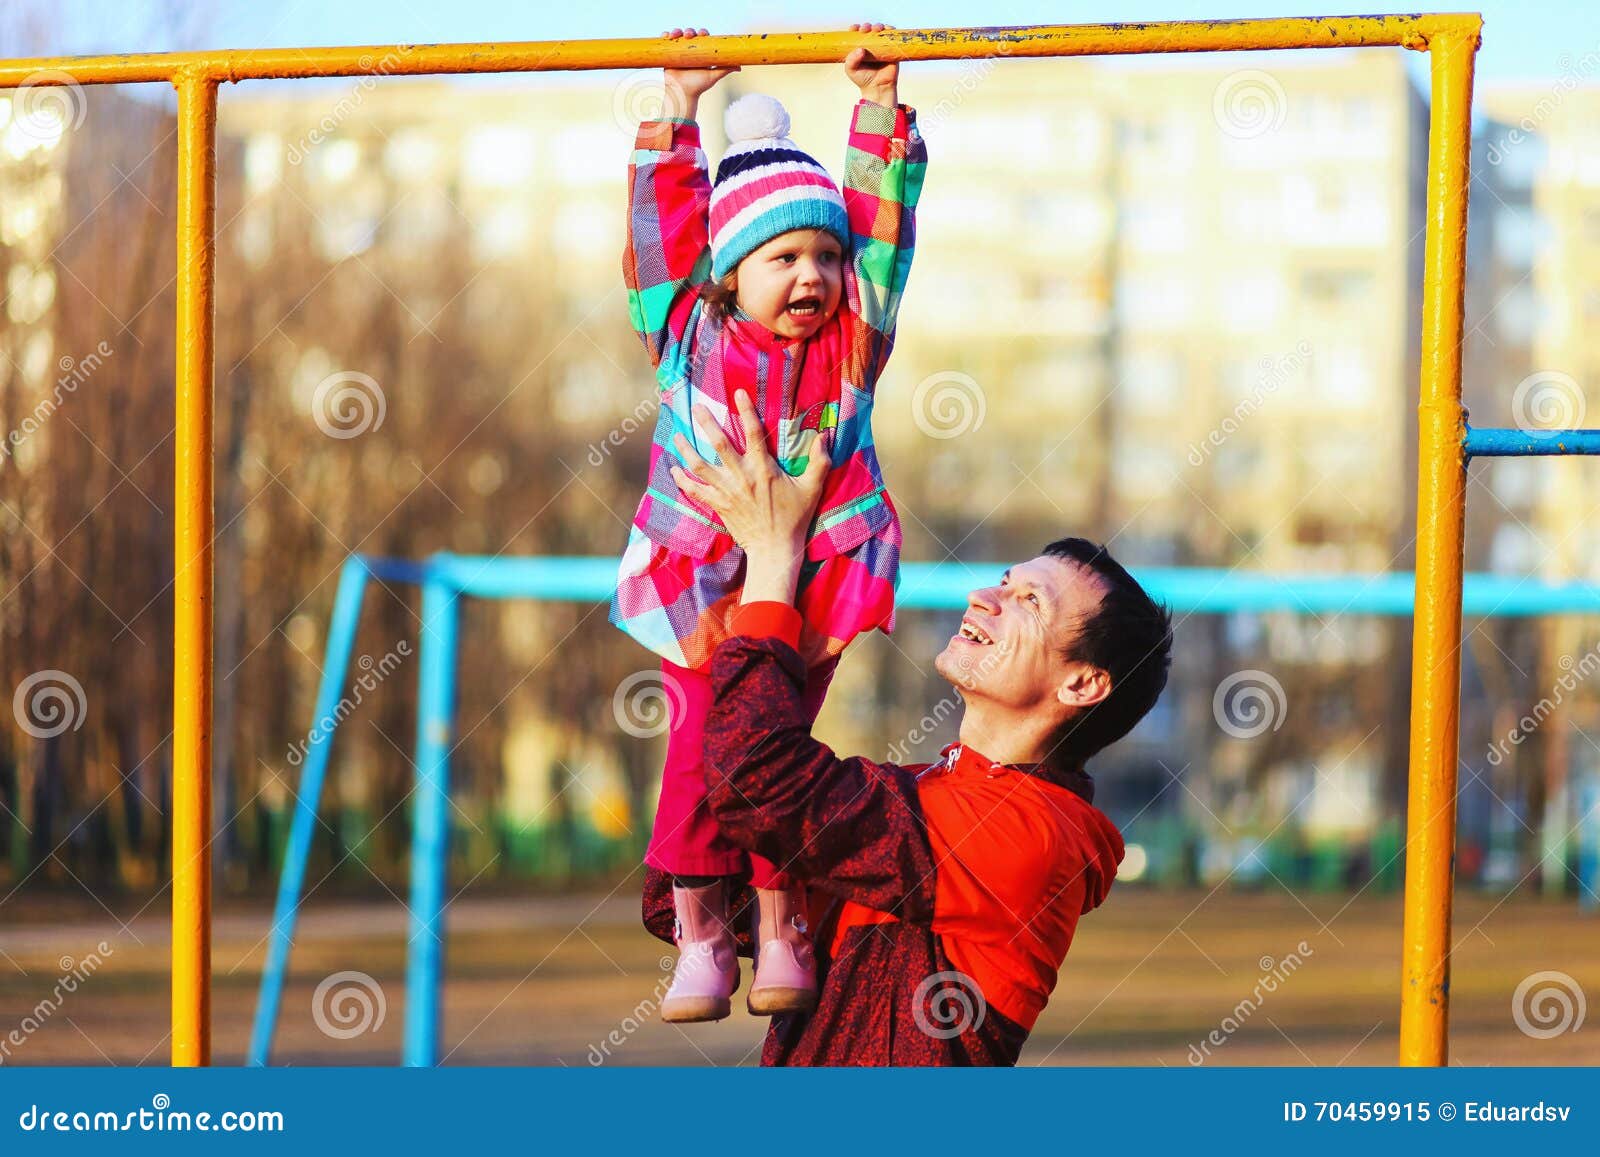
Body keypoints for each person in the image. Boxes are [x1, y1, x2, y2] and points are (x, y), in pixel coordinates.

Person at [640, 391, 1175, 1064]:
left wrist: (774, 558)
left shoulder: (1035, 839)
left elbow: (758, 783)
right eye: (1005, 581)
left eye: (1027, 600)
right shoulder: (924, 796)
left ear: (1082, 684)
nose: (986, 596)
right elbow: (680, 897)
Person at [609, 24, 926, 1022]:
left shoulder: (851, 344)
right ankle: (704, 931)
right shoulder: (683, 330)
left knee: (774, 741)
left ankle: (782, 917)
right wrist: (676, 111)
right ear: (727, 271)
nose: (812, 275)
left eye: (825, 255)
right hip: (698, 578)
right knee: (707, 742)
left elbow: (883, 234)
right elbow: (661, 231)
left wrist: (876, 114)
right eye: (783, 253)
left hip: (817, 574)